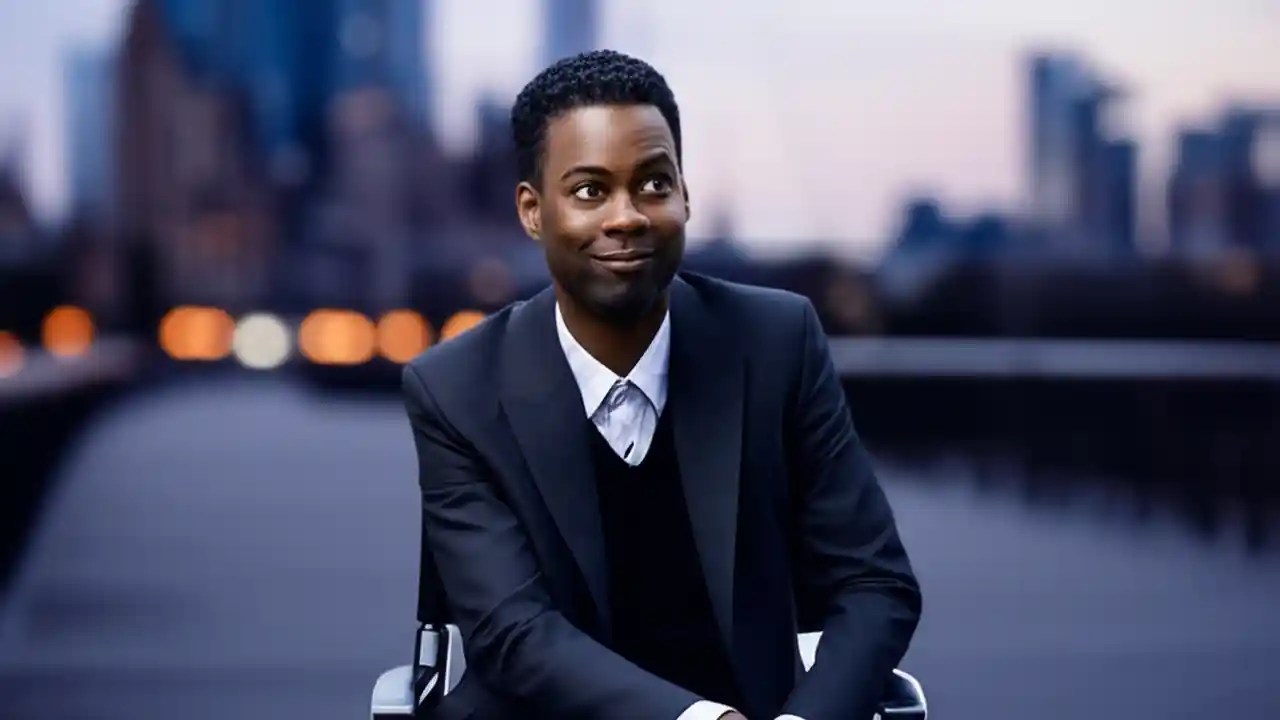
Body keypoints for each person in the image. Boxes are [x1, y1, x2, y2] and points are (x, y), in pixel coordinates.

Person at [401, 49, 921, 720]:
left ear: (685, 194)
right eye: (590, 190)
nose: (628, 216)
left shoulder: (774, 342)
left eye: (653, 184)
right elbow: (513, 632)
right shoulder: (457, 387)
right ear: (532, 211)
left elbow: (874, 582)